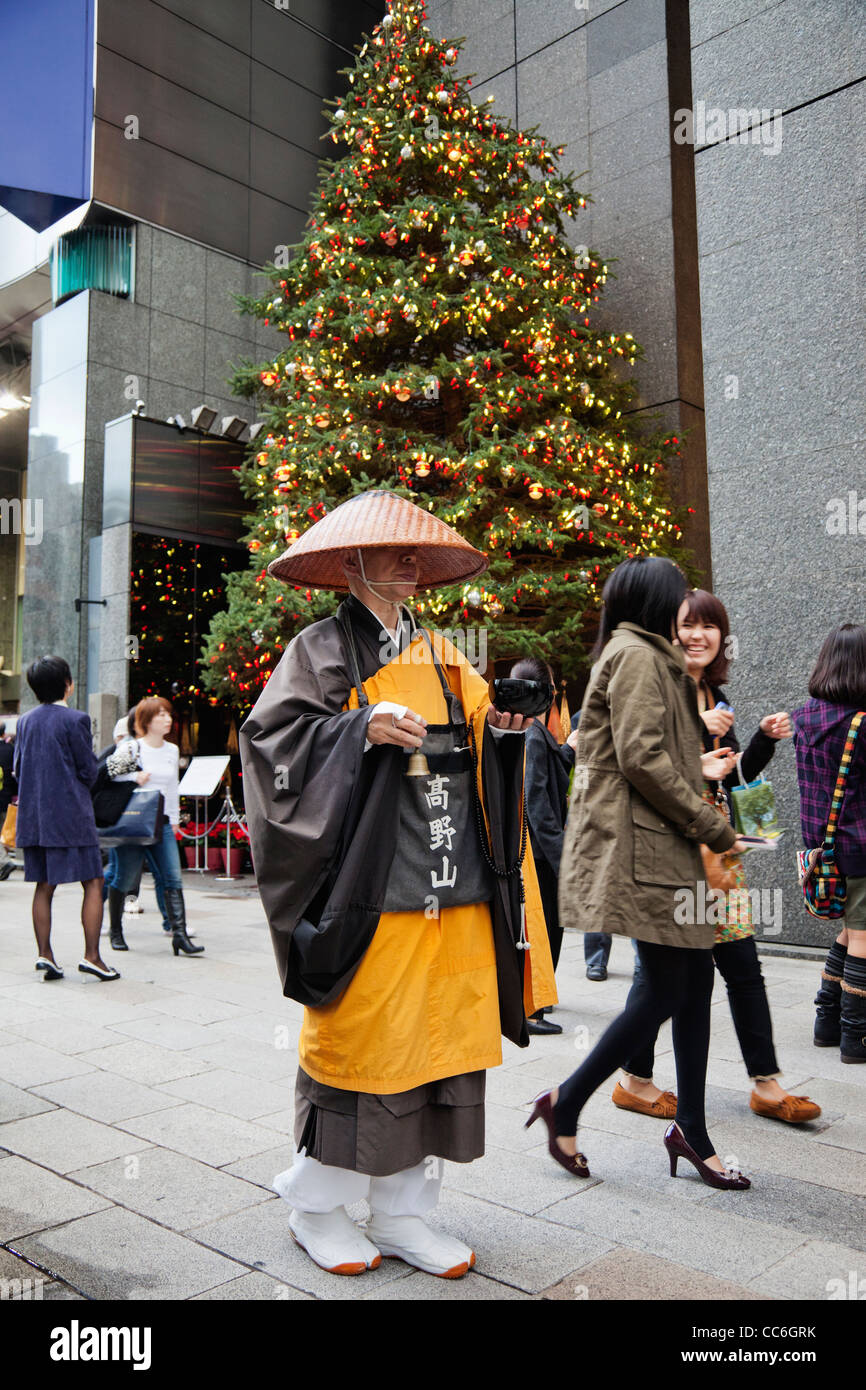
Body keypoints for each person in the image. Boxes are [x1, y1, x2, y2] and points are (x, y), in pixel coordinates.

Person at [240, 490, 556, 1279]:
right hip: (374, 888)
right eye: (394, 551)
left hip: (451, 889)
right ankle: (316, 1207)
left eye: (419, 552)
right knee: (367, 1044)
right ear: (352, 565)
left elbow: (482, 738)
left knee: (440, 1045)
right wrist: (358, 727)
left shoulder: (443, 652)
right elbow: (270, 746)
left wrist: (509, 731)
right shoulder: (319, 650)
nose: (412, 563)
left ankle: (405, 1213)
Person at [532, 556, 754, 1191]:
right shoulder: (636, 655)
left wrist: (705, 774)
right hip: (643, 854)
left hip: (660, 850)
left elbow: (654, 756)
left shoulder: (649, 657)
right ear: (657, 603)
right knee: (667, 989)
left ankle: (687, 1128)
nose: (689, 621)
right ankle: (569, 1103)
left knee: (689, 985)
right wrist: (712, 826)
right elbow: (641, 758)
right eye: (680, 605)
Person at [614, 590, 821, 1125]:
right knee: (660, 978)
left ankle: (766, 1085)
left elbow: (727, 774)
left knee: (743, 969)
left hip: (718, 857)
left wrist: (761, 741)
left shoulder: (712, 691)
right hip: (667, 853)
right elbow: (637, 769)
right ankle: (634, 1080)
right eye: (688, 625)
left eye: (710, 625)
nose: (699, 634)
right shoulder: (656, 687)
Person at [13, 655, 119, 982]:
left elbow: (18, 768)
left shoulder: (25, 722)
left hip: (35, 818)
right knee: (93, 882)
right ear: (68, 685)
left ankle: (45, 955)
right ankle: (92, 957)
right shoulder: (76, 720)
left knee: (44, 886)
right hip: (72, 816)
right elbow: (87, 771)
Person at [792, 623, 866, 1063]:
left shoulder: (804, 716)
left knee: (848, 930)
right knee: (862, 935)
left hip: (822, 848)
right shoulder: (860, 722)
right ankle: (856, 1038)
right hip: (860, 845)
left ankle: (827, 1022)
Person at [509, 657, 578, 1034]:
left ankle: (537, 998)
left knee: (548, 925)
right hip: (537, 854)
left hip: (538, 851)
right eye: (550, 686)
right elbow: (537, 803)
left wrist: (568, 749)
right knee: (544, 926)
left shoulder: (531, 731)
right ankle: (530, 1009)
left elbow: (547, 781)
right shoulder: (533, 735)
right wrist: (562, 856)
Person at [106, 696, 203, 956]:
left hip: (161, 822)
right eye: (161, 714)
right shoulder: (132, 748)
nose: (167, 719)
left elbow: (172, 789)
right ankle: (116, 931)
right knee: (124, 877)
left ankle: (179, 935)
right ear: (146, 720)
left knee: (172, 876)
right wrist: (134, 776)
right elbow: (108, 774)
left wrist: (173, 821)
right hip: (134, 823)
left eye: (168, 714)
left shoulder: (171, 750)